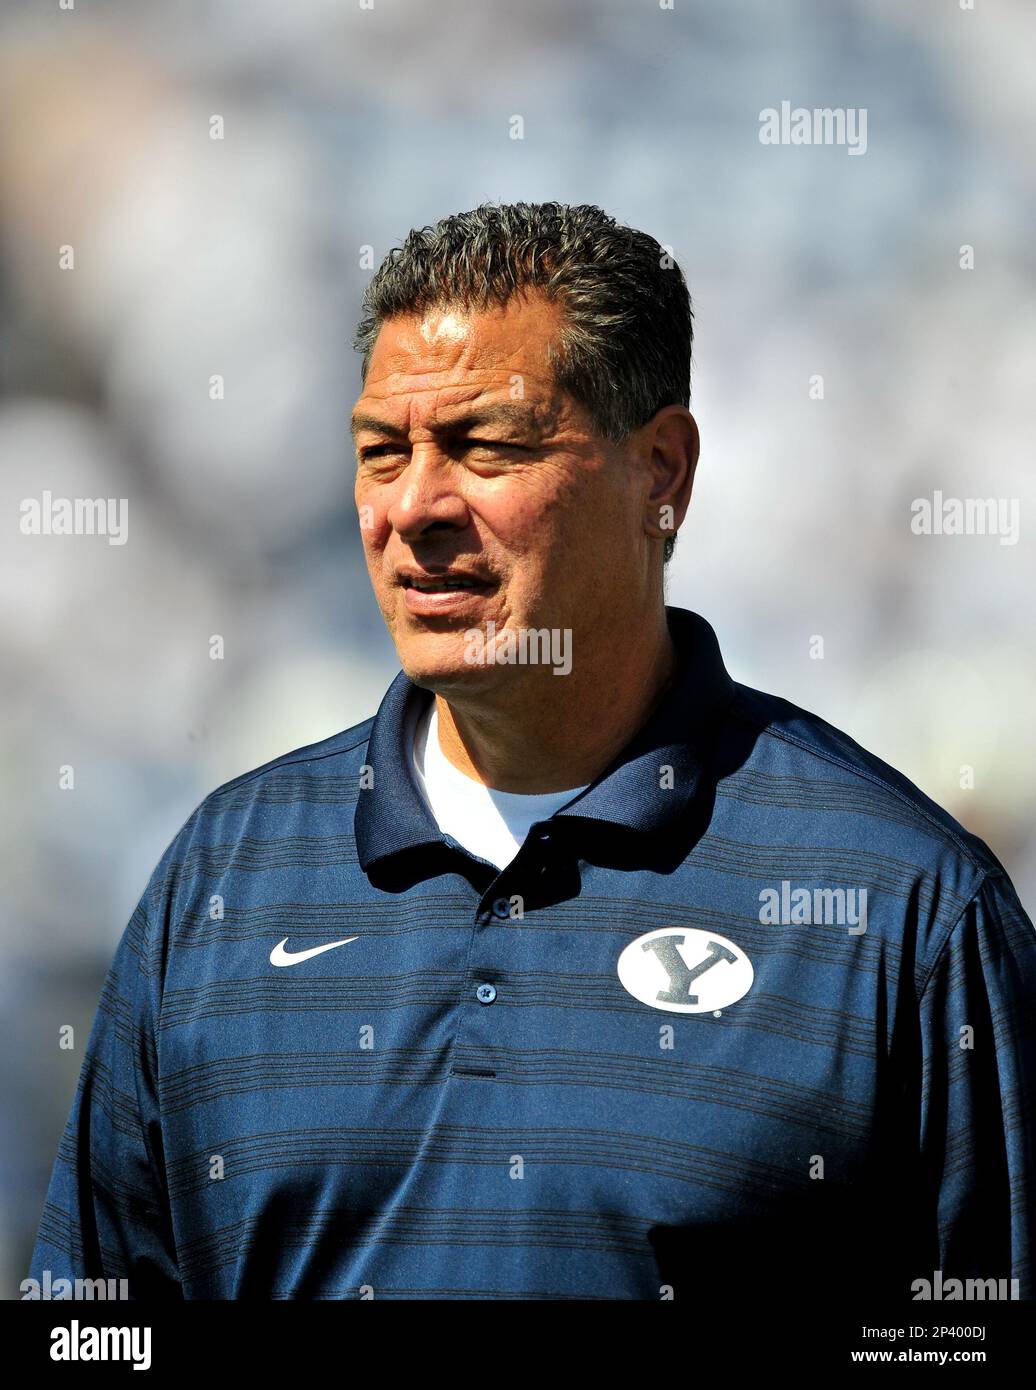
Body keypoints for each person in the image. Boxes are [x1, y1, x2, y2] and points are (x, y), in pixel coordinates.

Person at [27, 201, 1035, 1300]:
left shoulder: (899, 906)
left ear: (660, 471)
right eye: (380, 452)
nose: (413, 506)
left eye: (485, 445)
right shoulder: (221, 882)